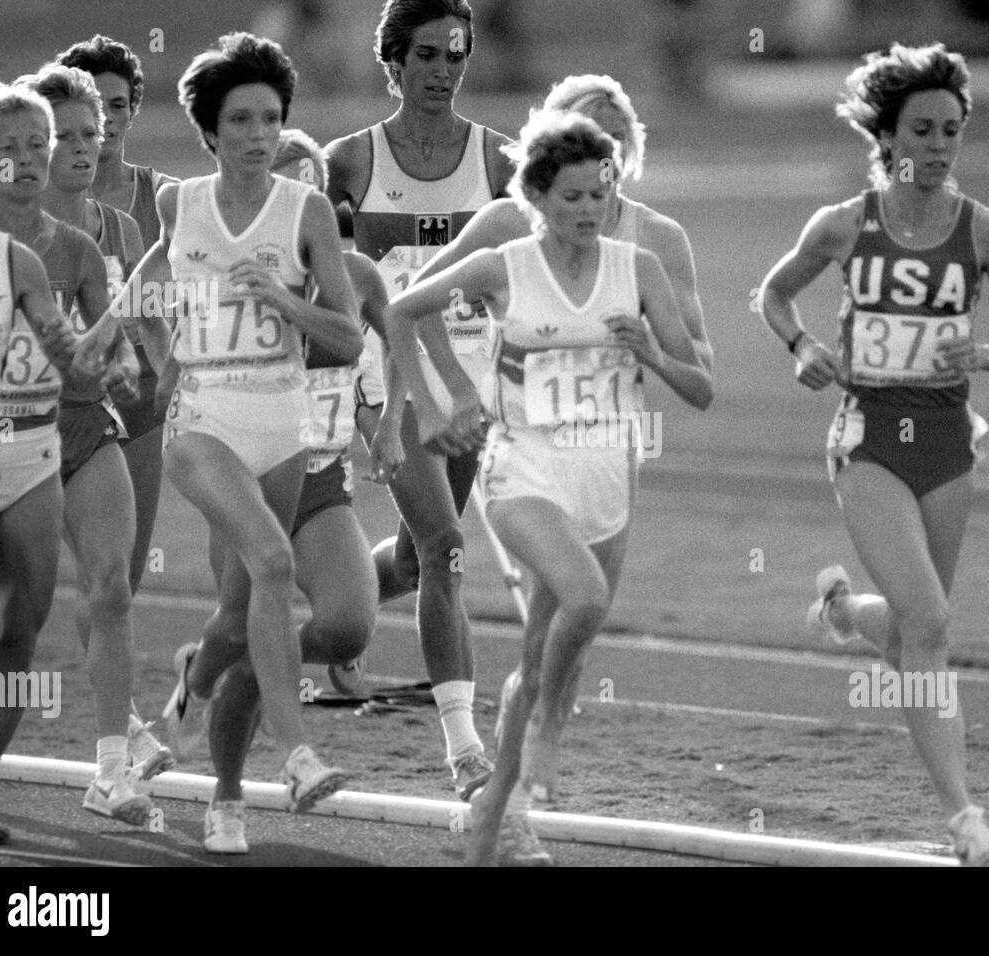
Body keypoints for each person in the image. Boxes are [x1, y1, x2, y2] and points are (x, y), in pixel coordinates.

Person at [377, 111, 712, 865]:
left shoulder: (640, 270)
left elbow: (702, 389)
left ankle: (497, 819)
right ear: (536, 196)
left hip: (605, 478)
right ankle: (542, 750)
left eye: (600, 193)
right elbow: (402, 310)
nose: (589, 210)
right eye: (571, 197)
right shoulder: (506, 265)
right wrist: (440, 404)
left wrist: (651, 354)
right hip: (521, 470)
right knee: (585, 599)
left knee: (545, 661)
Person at [757, 42, 989, 866]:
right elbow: (773, 294)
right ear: (888, 135)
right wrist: (802, 347)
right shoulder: (844, 225)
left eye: (953, 129)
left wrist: (979, 355)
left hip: (949, 442)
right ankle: (965, 822)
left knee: (920, 630)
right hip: (870, 439)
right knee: (932, 622)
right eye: (924, 129)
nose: (941, 145)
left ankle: (843, 615)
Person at [128, 32, 362, 854]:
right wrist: (145, 350)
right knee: (272, 564)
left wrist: (284, 302)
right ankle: (296, 754)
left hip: (282, 423)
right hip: (203, 422)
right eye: (242, 119)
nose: (260, 134)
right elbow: (155, 270)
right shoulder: (177, 201)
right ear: (210, 130)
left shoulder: (305, 213)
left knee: (234, 618)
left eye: (272, 118)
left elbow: (350, 334)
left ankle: (179, 708)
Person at [323, 0, 514, 801]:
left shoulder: (500, 161)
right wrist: (358, 409)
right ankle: (466, 752)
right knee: (445, 551)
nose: (443, 71)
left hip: (470, 390)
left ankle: (262, 642)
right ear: (393, 63)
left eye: (455, 55)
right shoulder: (351, 163)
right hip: (388, 384)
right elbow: (335, 292)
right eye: (427, 55)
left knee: (411, 559)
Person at [0, 78, 161, 826]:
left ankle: (113, 772)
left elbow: (94, 352)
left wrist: (118, 362)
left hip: (74, 432)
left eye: (39, 145)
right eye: (6, 149)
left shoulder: (78, 249)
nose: (29, 159)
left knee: (110, 588)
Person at [175, 129, 383, 752]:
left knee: (348, 626)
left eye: (307, 187)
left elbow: (378, 352)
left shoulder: (356, 276)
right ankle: (203, 675)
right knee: (236, 623)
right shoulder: (225, 266)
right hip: (242, 464)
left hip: (315, 475)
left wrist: (391, 431)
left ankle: (266, 664)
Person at [23, 63, 176, 788]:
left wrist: (159, 365)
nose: (89, 144)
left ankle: (115, 766)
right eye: (69, 135)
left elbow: (144, 320)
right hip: (3, 432)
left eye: (97, 129)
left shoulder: (118, 227)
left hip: (94, 424)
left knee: (113, 585)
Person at [0, 109, 100, 843]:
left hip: (23, 451)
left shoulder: (20, 261)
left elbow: (58, 334)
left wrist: (96, 354)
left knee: (21, 628)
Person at [56, 36, 180, 596]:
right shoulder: (24, 206)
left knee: (117, 581)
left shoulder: (167, 201)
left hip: (138, 402)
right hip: (41, 404)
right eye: (93, 106)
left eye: (119, 104)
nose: (106, 118)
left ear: (134, 109)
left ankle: (115, 686)